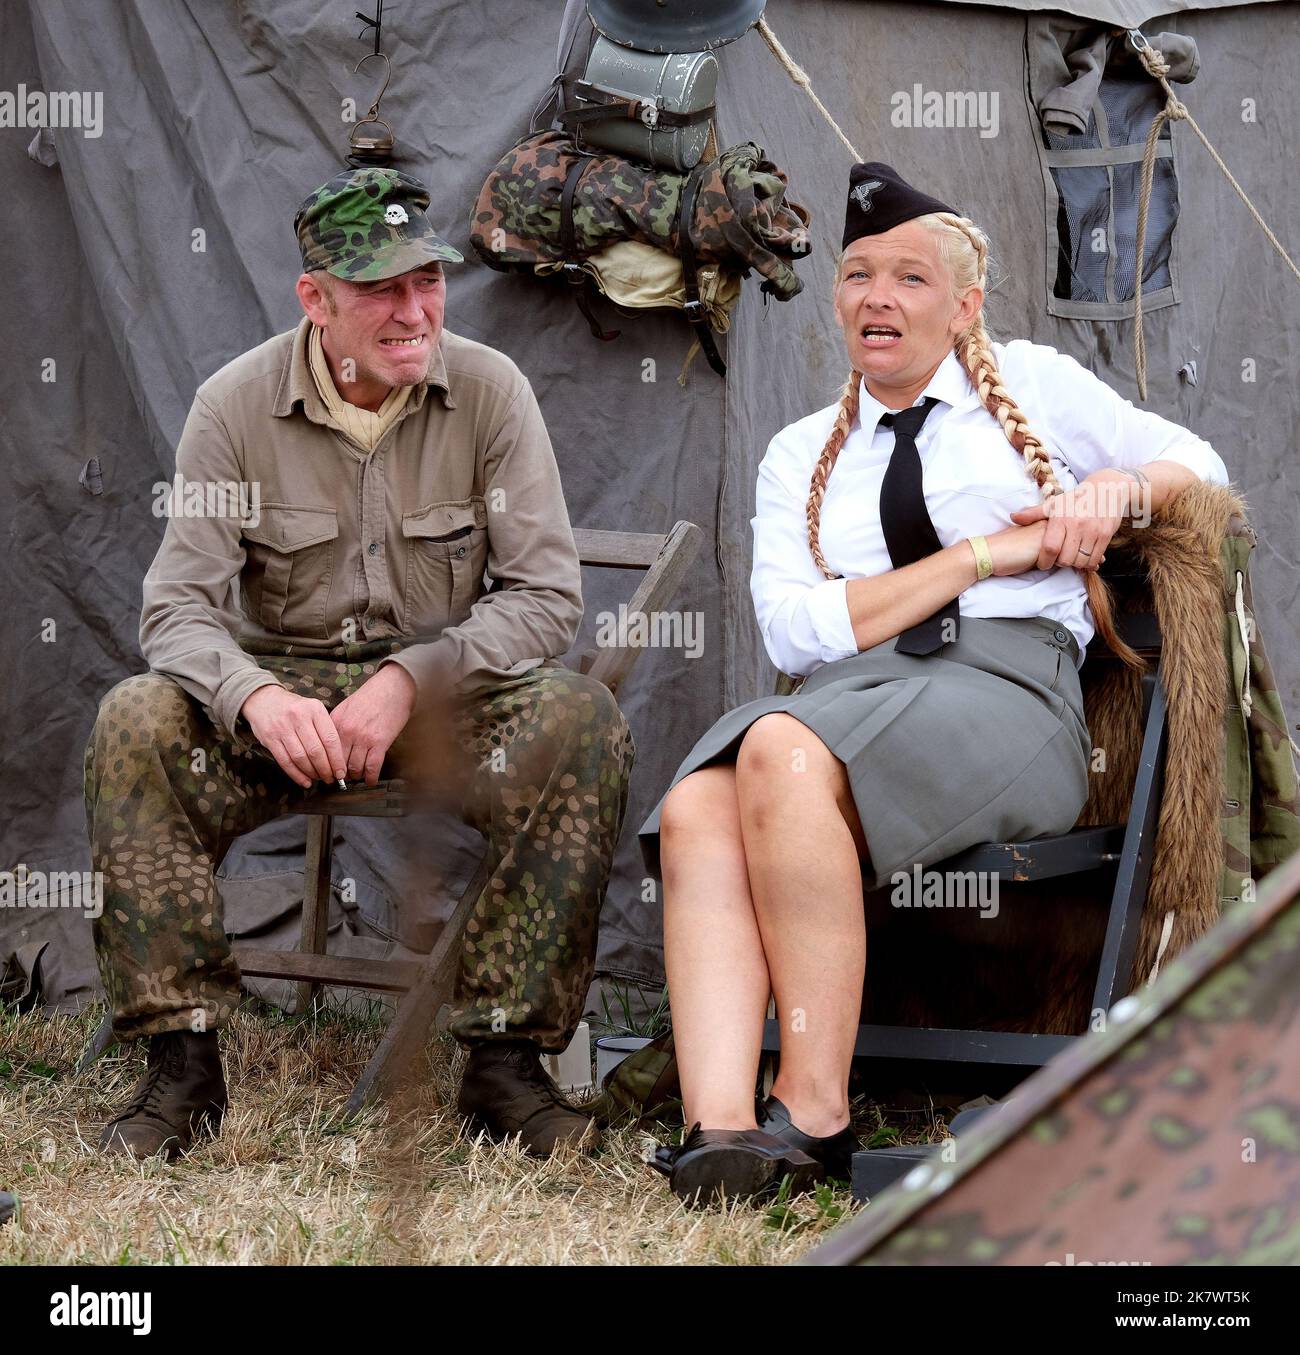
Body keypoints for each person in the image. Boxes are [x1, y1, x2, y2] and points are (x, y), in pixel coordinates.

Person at [640, 162, 1228, 1205]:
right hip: (848, 699)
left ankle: (813, 1113)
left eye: (910, 278)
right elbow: (793, 622)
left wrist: (1116, 486)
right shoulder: (794, 453)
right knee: (695, 798)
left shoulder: (1035, 386)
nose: (877, 296)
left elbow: (1201, 463)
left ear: (964, 305)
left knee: (772, 748)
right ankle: (720, 1130)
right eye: (858, 274)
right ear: (835, 299)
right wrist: (981, 558)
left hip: (1010, 701)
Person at [85, 167, 633, 1161]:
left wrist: (413, 678)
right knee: (134, 720)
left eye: (426, 279)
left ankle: (505, 1064)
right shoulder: (233, 406)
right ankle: (181, 1060)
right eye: (380, 288)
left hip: (440, 702)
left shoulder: (492, 392)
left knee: (577, 722)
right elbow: (174, 607)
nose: (412, 309)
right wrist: (252, 698)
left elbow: (547, 598)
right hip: (279, 703)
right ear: (316, 299)